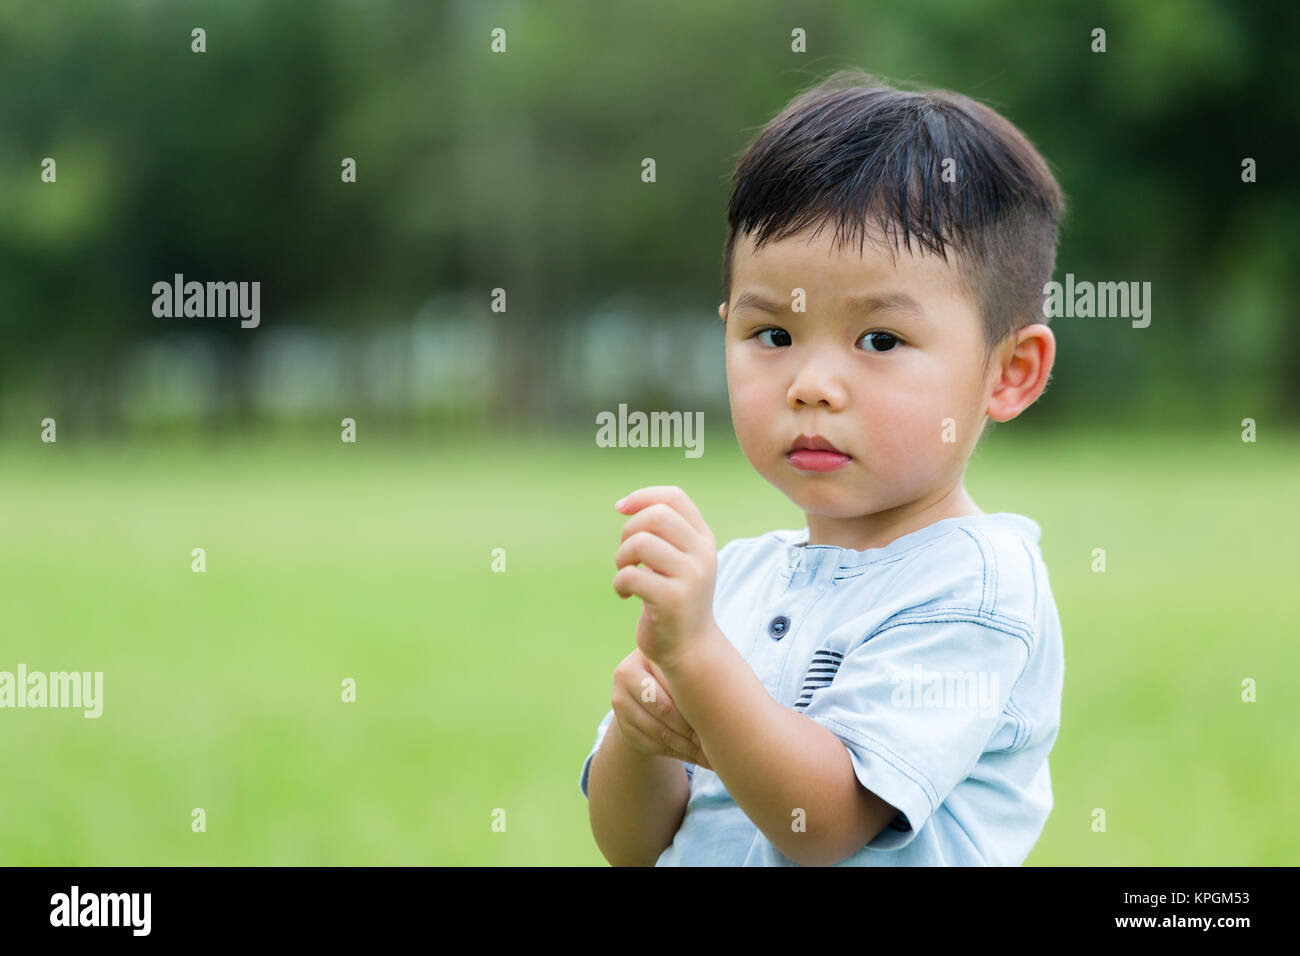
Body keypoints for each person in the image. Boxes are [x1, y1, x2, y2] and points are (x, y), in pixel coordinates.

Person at [581, 70, 1066, 866]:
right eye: (772, 334)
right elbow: (633, 845)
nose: (810, 385)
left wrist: (699, 657)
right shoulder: (736, 579)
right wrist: (643, 729)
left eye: (879, 341)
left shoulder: (976, 587)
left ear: (1009, 371)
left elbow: (827, 823)